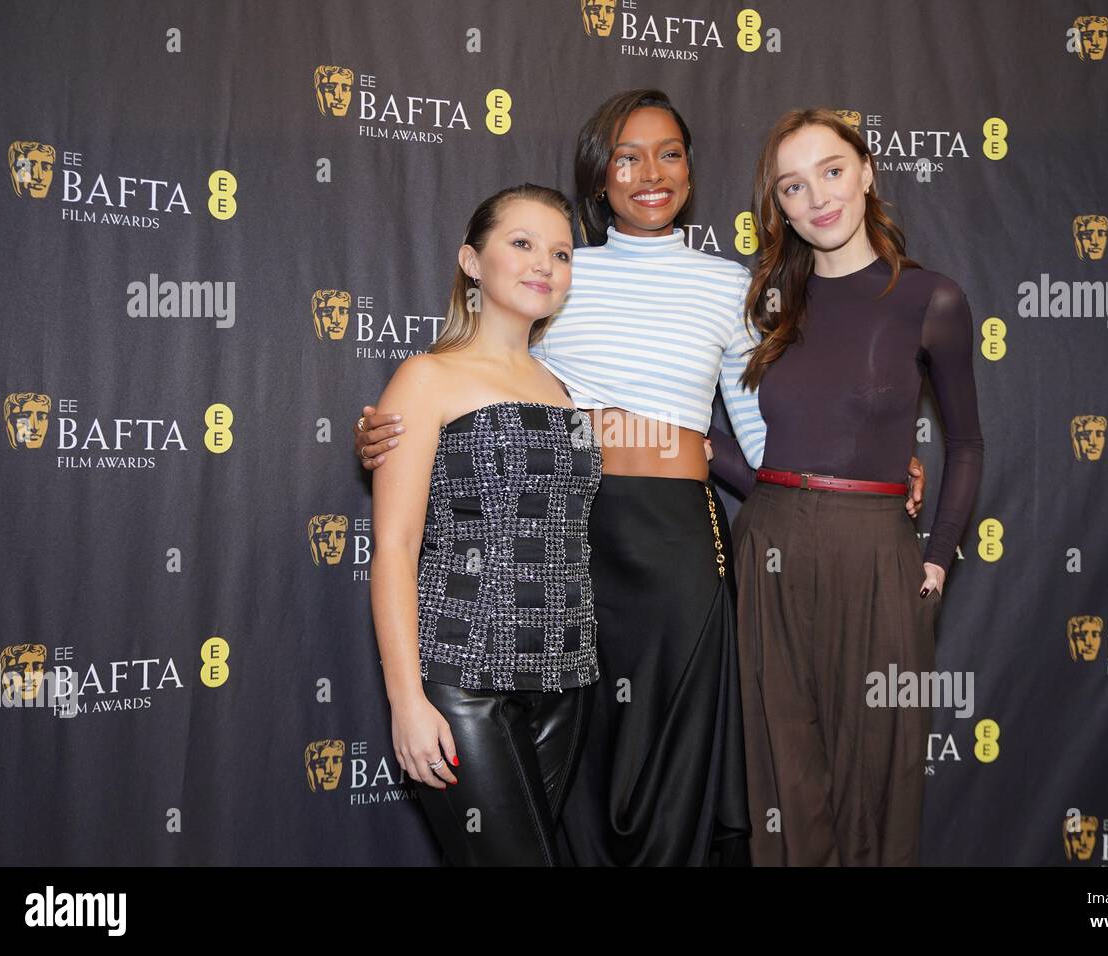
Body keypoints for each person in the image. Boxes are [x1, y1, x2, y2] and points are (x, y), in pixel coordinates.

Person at [358, 90, 928, 866]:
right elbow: (479, 386)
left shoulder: (728, 286)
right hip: (567, 538)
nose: (650, 173)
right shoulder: (557, 273)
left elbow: (766, 437)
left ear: (691, 170)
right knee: (578, 775)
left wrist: (868, 456)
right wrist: (386, 432)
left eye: (669, 154)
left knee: (674, 756)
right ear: (599, 176)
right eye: (626, 158)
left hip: (680, 540)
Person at [707, 108, 985, 865]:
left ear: (865, 172)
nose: (818, 197)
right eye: (792, 186)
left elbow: (965, 443)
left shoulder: (931, 299)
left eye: (831, 171)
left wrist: (937, 558)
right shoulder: (765, 305)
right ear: (778, 205)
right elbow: (763, 455)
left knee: (877, 782)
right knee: (782, 780)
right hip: (770, 546)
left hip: (878, 554)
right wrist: (687, 445)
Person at [368, 183, 600, 866]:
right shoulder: (425, 377)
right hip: (464, 675)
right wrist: (406, 700)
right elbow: (394, 548)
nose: (544, 264)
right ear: (472, 261)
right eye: (522, 243)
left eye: (561, 253)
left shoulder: (560, 386)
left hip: (565, 678)